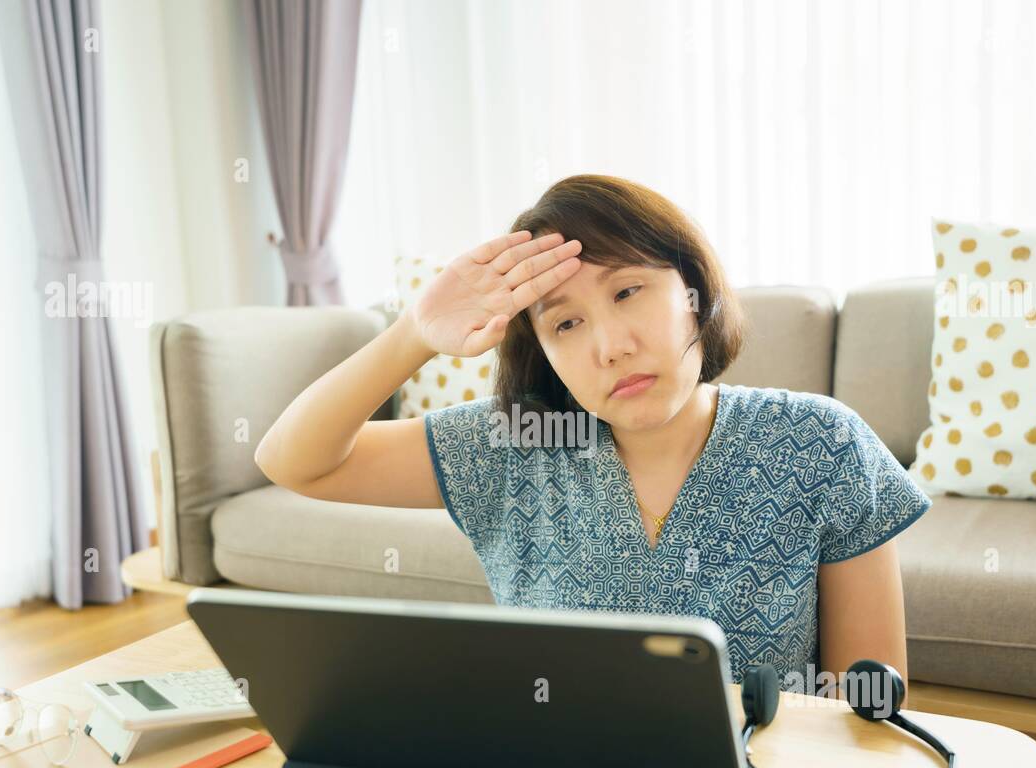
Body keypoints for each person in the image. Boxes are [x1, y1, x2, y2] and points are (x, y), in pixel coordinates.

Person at [254, 174, 931, 696]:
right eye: (565, 324)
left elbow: (868, 710)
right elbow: (293, 461)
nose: (610, 346)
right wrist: (411, 334)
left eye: (629, 291)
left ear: (693, 288)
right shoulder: (515, 446)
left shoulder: (822, 444)